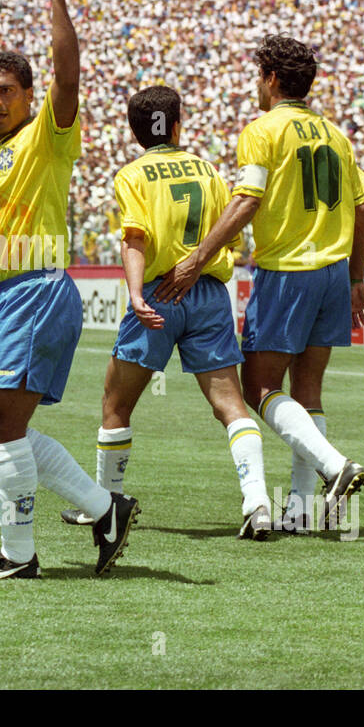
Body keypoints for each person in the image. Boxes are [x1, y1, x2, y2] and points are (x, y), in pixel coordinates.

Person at [0, 0, 138, 579]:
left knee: (1, 426)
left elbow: (69, 73)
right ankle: (100, 514)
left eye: (5, 92)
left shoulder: (47, 135)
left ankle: (27, 554)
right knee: (3, 427)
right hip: (10, 292)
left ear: (29, 94)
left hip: (38, 284)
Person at [156, 35, 364, 534]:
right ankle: (298, 510)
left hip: (288, 272)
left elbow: (247, 200)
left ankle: (334, 465)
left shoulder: (263, 130)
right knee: (309, 388)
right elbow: (362, 210)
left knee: (259, 387)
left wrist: (198, 258)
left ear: (271, 79)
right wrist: (357, 275)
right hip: (335, 273)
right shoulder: (337, 136)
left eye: (259, 76)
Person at [59, 86, 273, 539]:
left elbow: (135, 237)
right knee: (230, 405)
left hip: (158, 295)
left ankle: (105, 505)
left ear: (136, 132)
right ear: (177, 125)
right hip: (209, 292)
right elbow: (230, 234)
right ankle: (257, 500)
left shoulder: (132, 175)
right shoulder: (209, 170)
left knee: (116, 405)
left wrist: (136, 294)